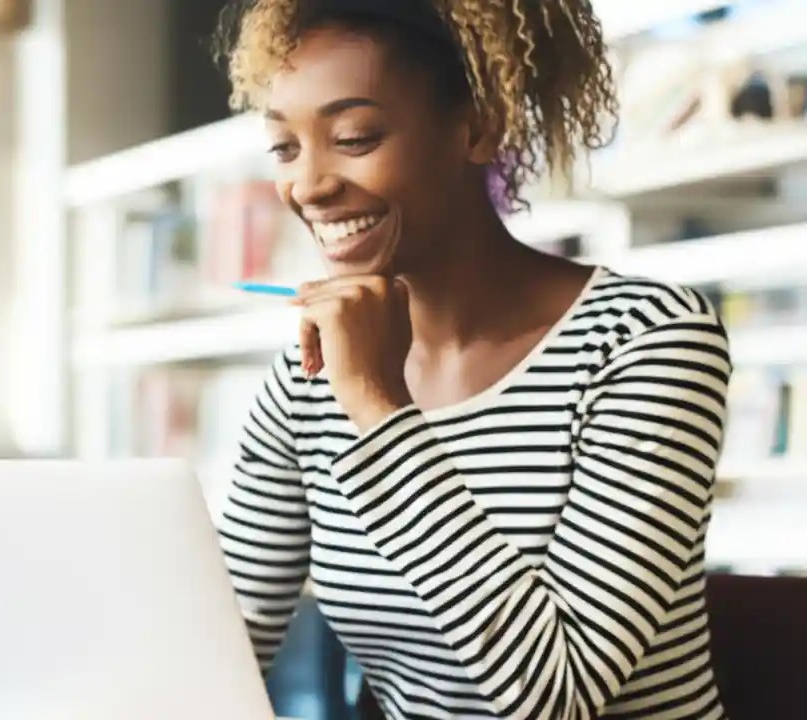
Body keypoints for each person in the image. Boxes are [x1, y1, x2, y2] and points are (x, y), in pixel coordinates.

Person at [212, 1, 730, 718]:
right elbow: (216, 647)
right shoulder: (303, 381)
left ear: (480, 125)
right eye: (285, 148)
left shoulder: (646, 338)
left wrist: (377, 406)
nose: (309, 185)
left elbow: (555, 696)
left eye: (354, 137)